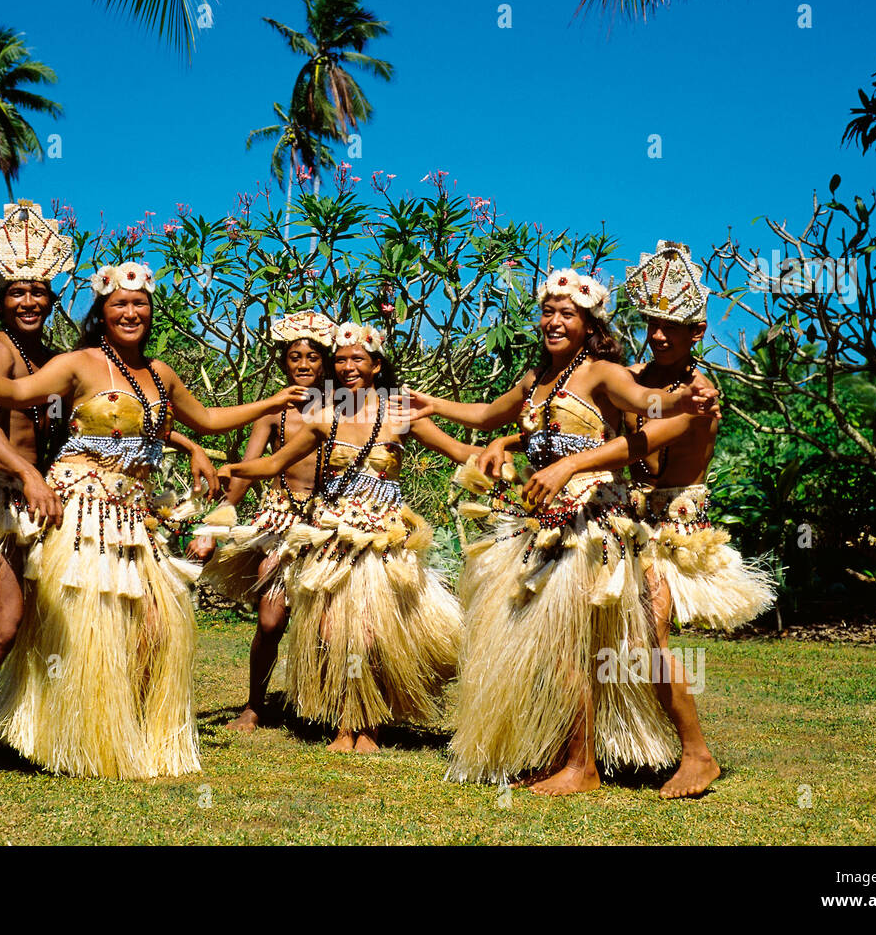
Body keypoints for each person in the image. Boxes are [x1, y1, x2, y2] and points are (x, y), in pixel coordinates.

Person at [0, 261, 306, 778]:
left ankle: (121, 735)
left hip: (130, 516)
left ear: (151, 312)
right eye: (119, 305)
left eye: (140, 304)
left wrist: (268, 403)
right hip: (79, 510)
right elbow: (16, 395)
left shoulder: (158, 373)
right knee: (45, 631)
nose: (131, 312)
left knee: (154, 627)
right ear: (101, 314)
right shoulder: (77, 362)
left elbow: (209, 418)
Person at [0, 206, 218, 785]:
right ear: (1, 298)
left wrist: (187, 443)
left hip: (52, 500)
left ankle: (65, 732)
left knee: (79, 621)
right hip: (0, 500)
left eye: (38, 291)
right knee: (3, 628)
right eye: (16, 293)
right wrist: (28, 477)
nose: (28, 302)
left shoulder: (54, 358)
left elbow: (120, 419)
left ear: (54, 297)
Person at [399, 268, 718, 794]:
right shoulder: (535, 380)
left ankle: (631, 760)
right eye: (548, 311)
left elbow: (646, 407)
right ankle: (573, 757)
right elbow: (487, 415)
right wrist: (435, 408)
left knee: (634, 644)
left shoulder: (604, 372)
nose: (553, 321)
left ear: (589, 323)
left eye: (567, 314)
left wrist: (684, 403)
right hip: (547, 523)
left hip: (597, 523)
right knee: (557, 644)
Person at [507, 240, 773, 798]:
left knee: (648, 641)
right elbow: (582, 422)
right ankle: (577, 755)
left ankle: (697, 755)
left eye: (672, 327)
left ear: (696, 334)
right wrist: (512, 438)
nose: (658, 334)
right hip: (622, 516)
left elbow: (638, 441)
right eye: (653, 323)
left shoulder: (697, 394)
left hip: (672, 529)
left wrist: (578, 464)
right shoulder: (632, 376)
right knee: (585, 638)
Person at [221, 322, 477, 753]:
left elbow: (460, 452)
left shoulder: (399, 415)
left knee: (373, 632)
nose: (346, 367)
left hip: (383, 539)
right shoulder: (324, 417)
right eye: (340, 360)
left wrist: (516, 449)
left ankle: (370, 724)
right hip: (333, 537)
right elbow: (272, 465)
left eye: (357, 359)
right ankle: (344, 721)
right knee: (331, 628)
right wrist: (227, 471)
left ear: (376, 365)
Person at [190, 312, 336, 732]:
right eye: (295, 357)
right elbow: (250, 467)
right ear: (283, 363)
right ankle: (255, 705)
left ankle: (322, 705)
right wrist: (214, 527)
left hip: (328, 520)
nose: (304, 364)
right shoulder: (275, 412)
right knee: (271, 621)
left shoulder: (342, 409)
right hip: (279, 520)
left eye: (312, 356)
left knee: (325, 623)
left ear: (325, 361)